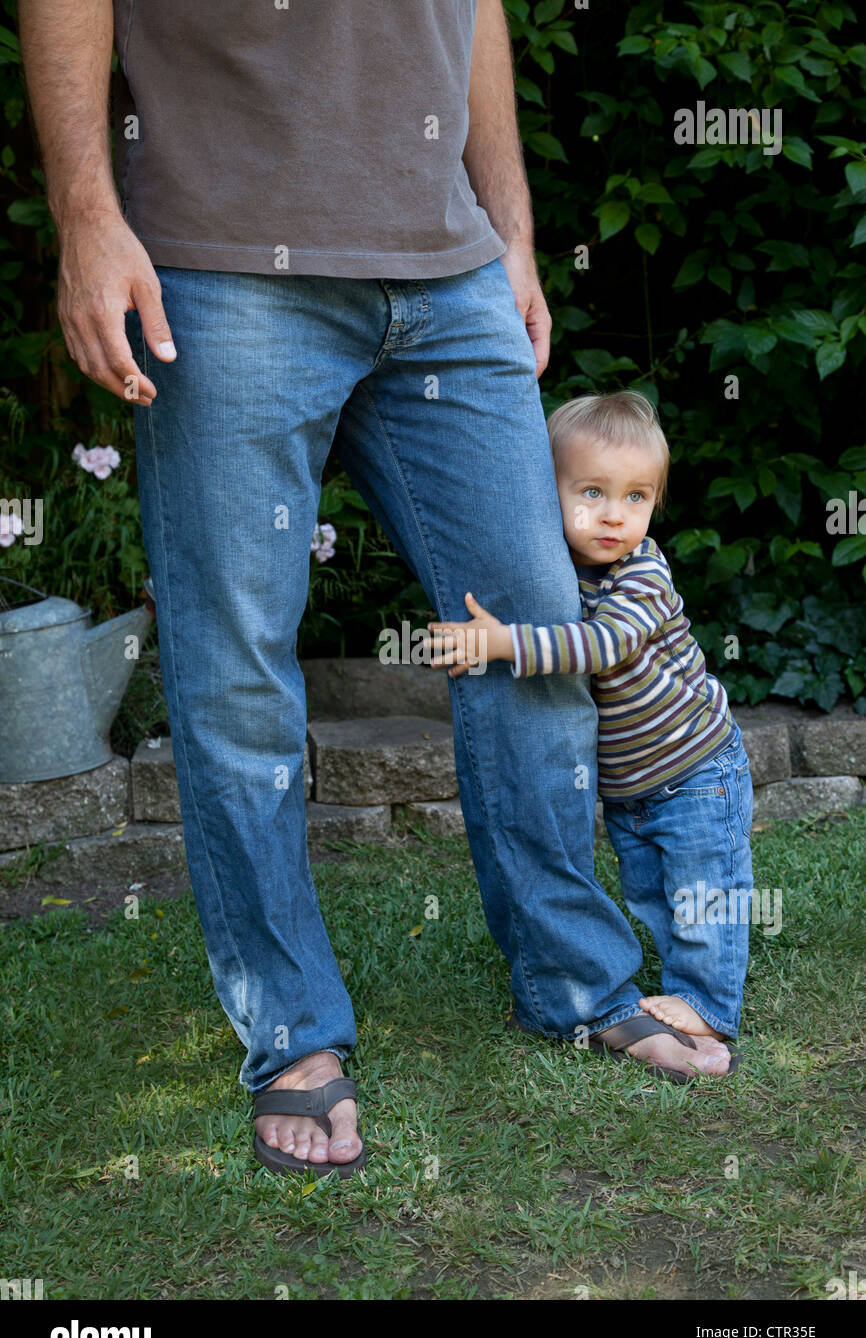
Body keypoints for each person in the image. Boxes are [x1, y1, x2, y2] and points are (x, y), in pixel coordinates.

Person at [20, 1, 730, 1182]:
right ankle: (293, 1035)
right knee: (237, 671)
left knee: (529, 629)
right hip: (222, 258)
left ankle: (575, 982)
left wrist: (508, 228)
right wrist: (87, 216)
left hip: (448, 271)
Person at [428, 391, 753, 1070]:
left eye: (636, 497)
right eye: (592, 492)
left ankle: (710, 1005)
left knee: (702, 890)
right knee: (650, 891)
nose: (614, 514)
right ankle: (677, 983)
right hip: (633, 784)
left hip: (695, 769)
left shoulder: (643, 576)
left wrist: (504, 644)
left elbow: (601, 647)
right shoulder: (566, 572)